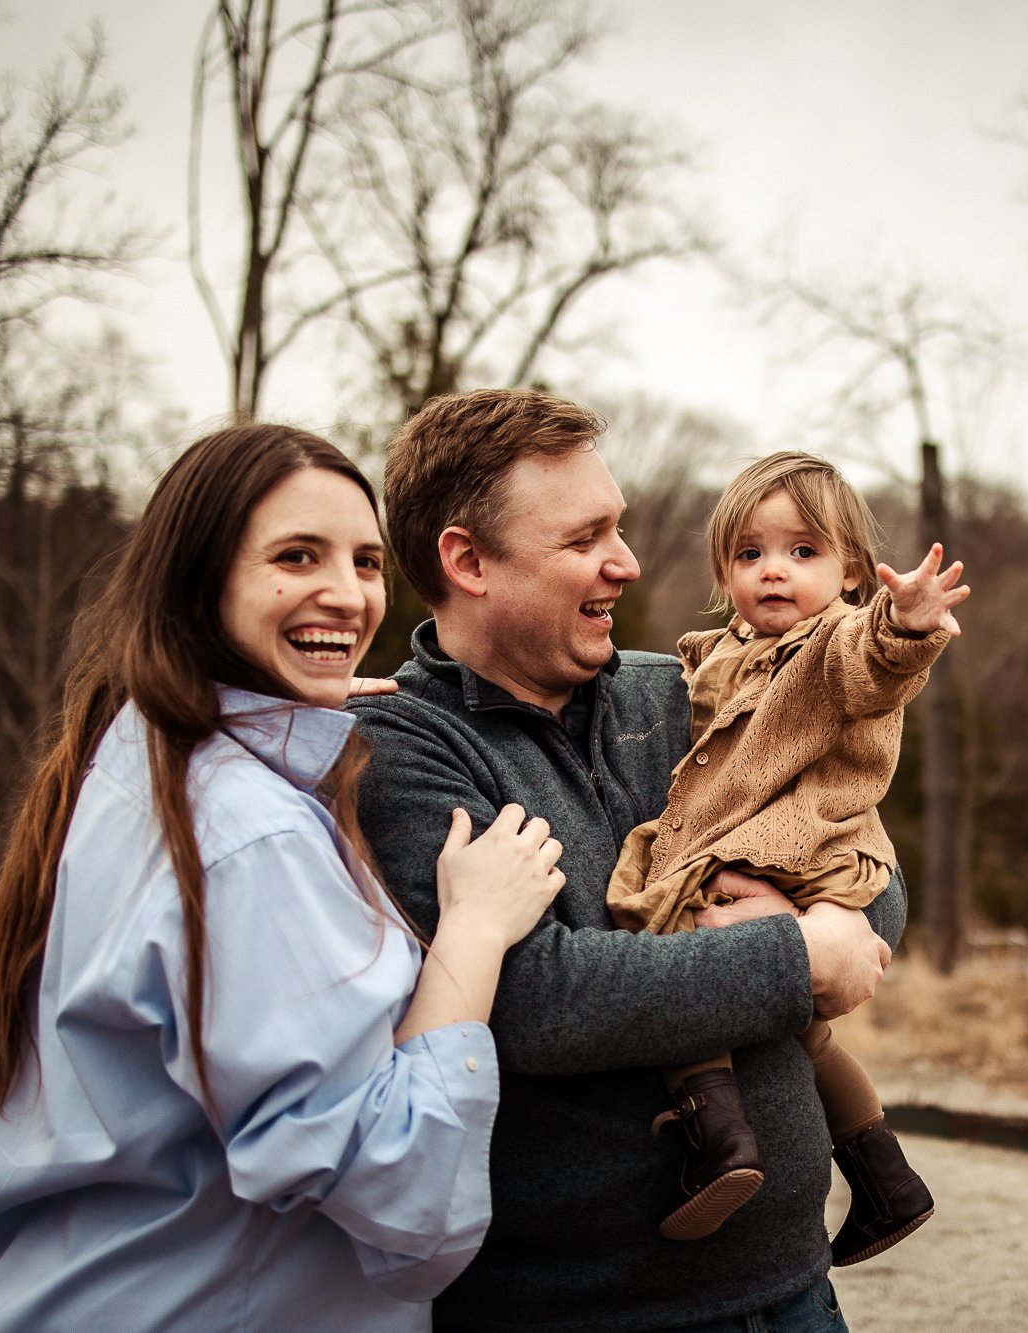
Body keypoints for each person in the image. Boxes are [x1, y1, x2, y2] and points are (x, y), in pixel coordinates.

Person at [0, 423, 565, 1331]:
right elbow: (398, 1196)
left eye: (366, 561)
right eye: (296, 556)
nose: (346, 595)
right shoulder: (248, 836)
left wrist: (289, 705)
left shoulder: (141, 745)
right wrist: (473, 927)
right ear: (201, 579)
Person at [351, 389, 898, 1333]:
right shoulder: (400, 747)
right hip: (582, 1309)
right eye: (585, 537)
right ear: (467, 560)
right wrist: (802, 955)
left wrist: (840, 922)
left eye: (621, 526)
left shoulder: (685, 690)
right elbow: (539, 1001)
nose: (628, 562)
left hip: (794, 1285)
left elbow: (861, 853)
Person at [606, 451, 965, 1260]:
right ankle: (884, 1177)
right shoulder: (725, 647)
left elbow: (870, 664)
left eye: (803, 552)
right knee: (804, 1033)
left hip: (803, 850)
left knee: (661, 933)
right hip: (793, 855)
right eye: (750, 553)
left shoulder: (834, 640)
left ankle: (718, 1135)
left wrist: (902, 624)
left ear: (848, 570)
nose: (774, 572)